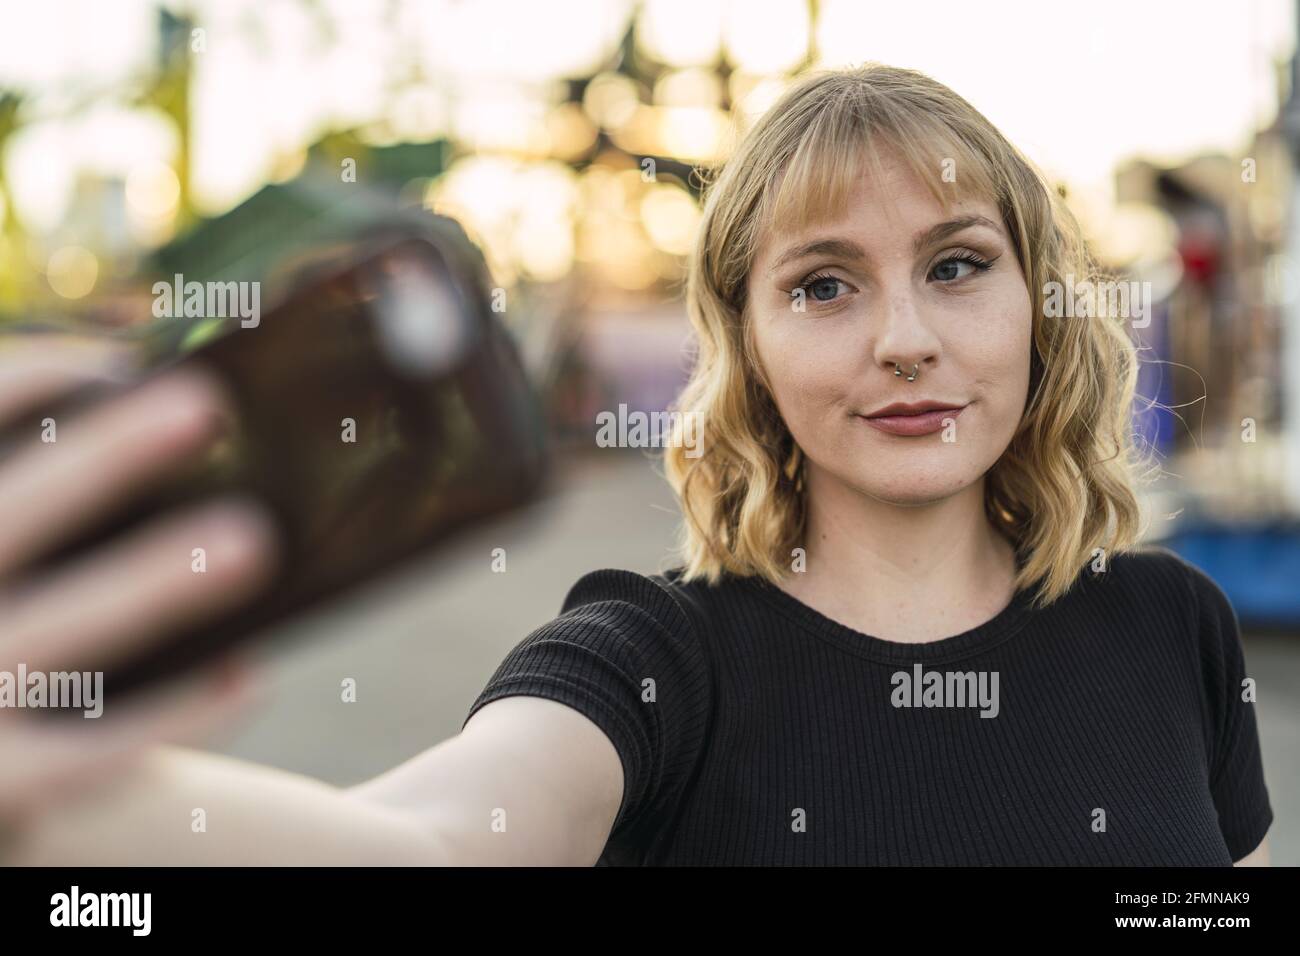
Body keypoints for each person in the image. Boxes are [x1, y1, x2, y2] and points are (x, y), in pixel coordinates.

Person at [0, 63, 1272, 866]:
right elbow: (431, 846)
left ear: (1037, 302)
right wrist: (47, 810)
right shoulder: (647, 662)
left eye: (955, 265)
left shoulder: (1174, 627)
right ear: (751, 345)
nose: (903, 341)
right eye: (822, 284)